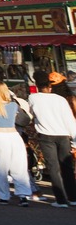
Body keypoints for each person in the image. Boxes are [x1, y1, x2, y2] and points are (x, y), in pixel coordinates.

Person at [26, 77, 76, 207]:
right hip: (63, 134)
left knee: (54, 168)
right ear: (50, 87)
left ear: (37, 86)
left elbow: (30, 114)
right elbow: (69, 119)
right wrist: (74, 139)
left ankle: (60, 200)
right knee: (67, 167)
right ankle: (73, 197)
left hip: (46, 135)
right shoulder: (60, 99)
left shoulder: (33, 98)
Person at [0, 75, 33, 205]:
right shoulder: (13, 105)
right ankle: (23, 195)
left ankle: (4, 196)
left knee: (1, 168)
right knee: (19, 167)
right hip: (14, 136)